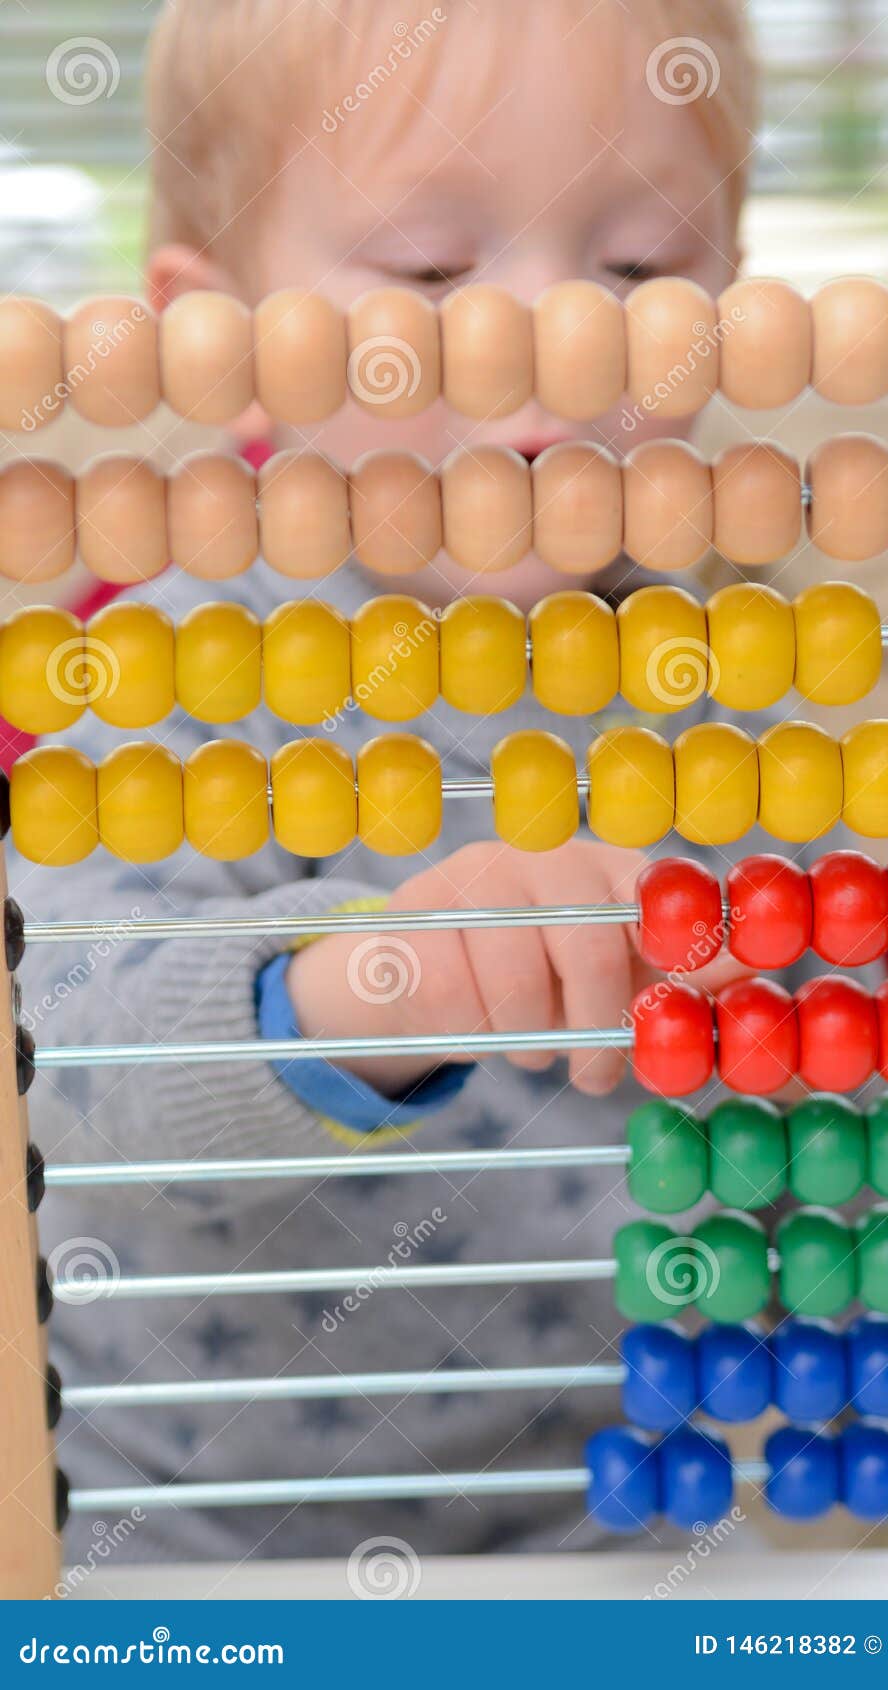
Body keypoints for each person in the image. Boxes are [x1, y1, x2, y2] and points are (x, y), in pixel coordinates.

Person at [18, 0, 759, 1566]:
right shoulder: (161, 683)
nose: (562, 331)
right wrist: (380, 977)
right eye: (432, 270)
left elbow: (834, 1091)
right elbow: (70, 1085)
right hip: (185, 1546)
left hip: (614, 1534)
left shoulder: (748, 692)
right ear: (223, 335)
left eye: (637, 267)